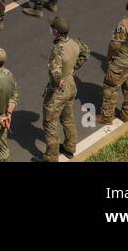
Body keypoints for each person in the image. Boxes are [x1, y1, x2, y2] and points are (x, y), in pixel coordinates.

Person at [42, 16, 88, 161]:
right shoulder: (75, 43)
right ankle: (70, 145)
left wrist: (57, 81)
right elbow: (85, 53)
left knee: (50, 123)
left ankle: (51, 157)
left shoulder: (57, 49)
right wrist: (74, 68)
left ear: (56, 31)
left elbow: (54, 71)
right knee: (68, 117)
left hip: (59, 90)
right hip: (71, 84)